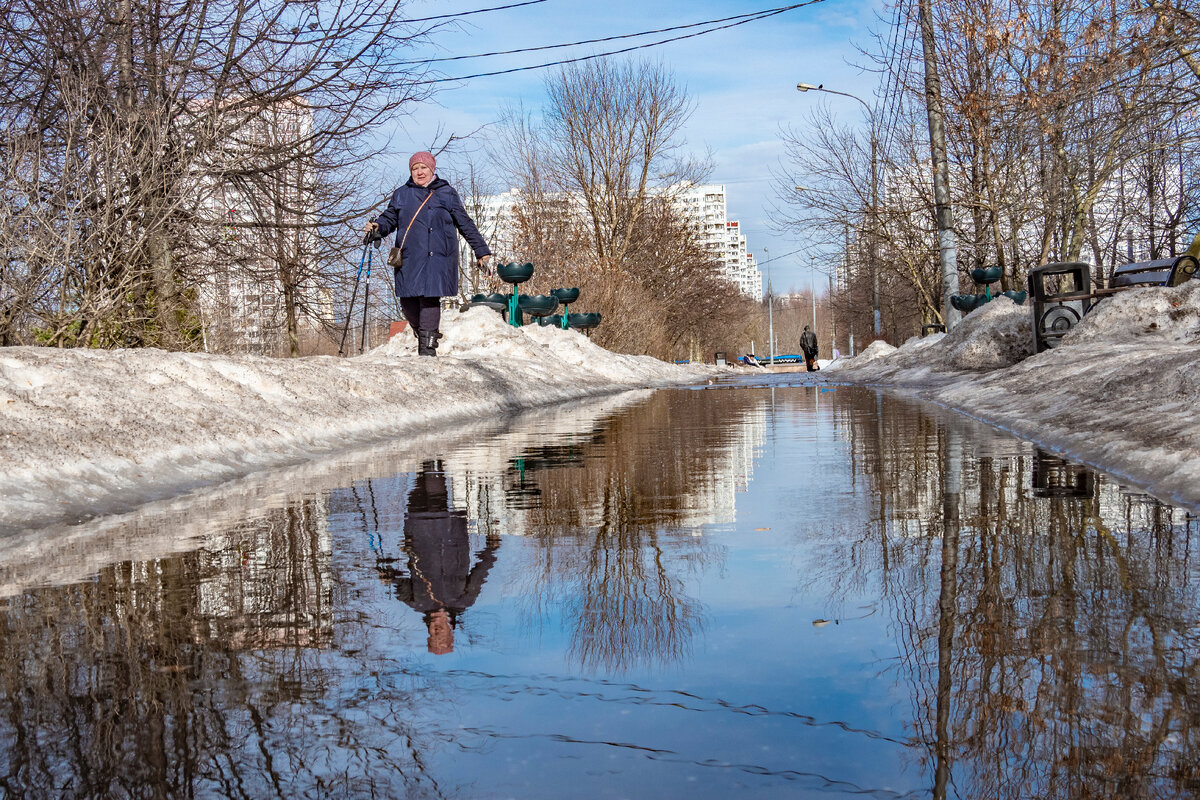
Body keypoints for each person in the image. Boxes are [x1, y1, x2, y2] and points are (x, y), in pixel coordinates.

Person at [364, 151, 492, 356]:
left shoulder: (447, 193)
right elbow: (389, 218)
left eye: (423, 167)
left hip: (438, 256)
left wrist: (481, 251)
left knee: (429, 299)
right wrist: (378, 226)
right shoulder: (401, 194)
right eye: (415, 168)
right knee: (408, 302)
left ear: (432, 169)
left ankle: (428, 349)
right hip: (410, 256)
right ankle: (423, 333)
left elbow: (465, 223)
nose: (419, 172)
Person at [375, 462, 501, 655]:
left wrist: (387, 575)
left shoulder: (417, 603)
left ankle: (426, 459)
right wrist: (491, 548)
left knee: (418, 493)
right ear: (451, 633)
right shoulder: (463, 600)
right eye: (440, 635)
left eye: (433, 635)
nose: (435, 631)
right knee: (436, 494)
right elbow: (480, 572)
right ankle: (431, 458)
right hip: (448, 534)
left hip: (418, 532)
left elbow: (398, 582)